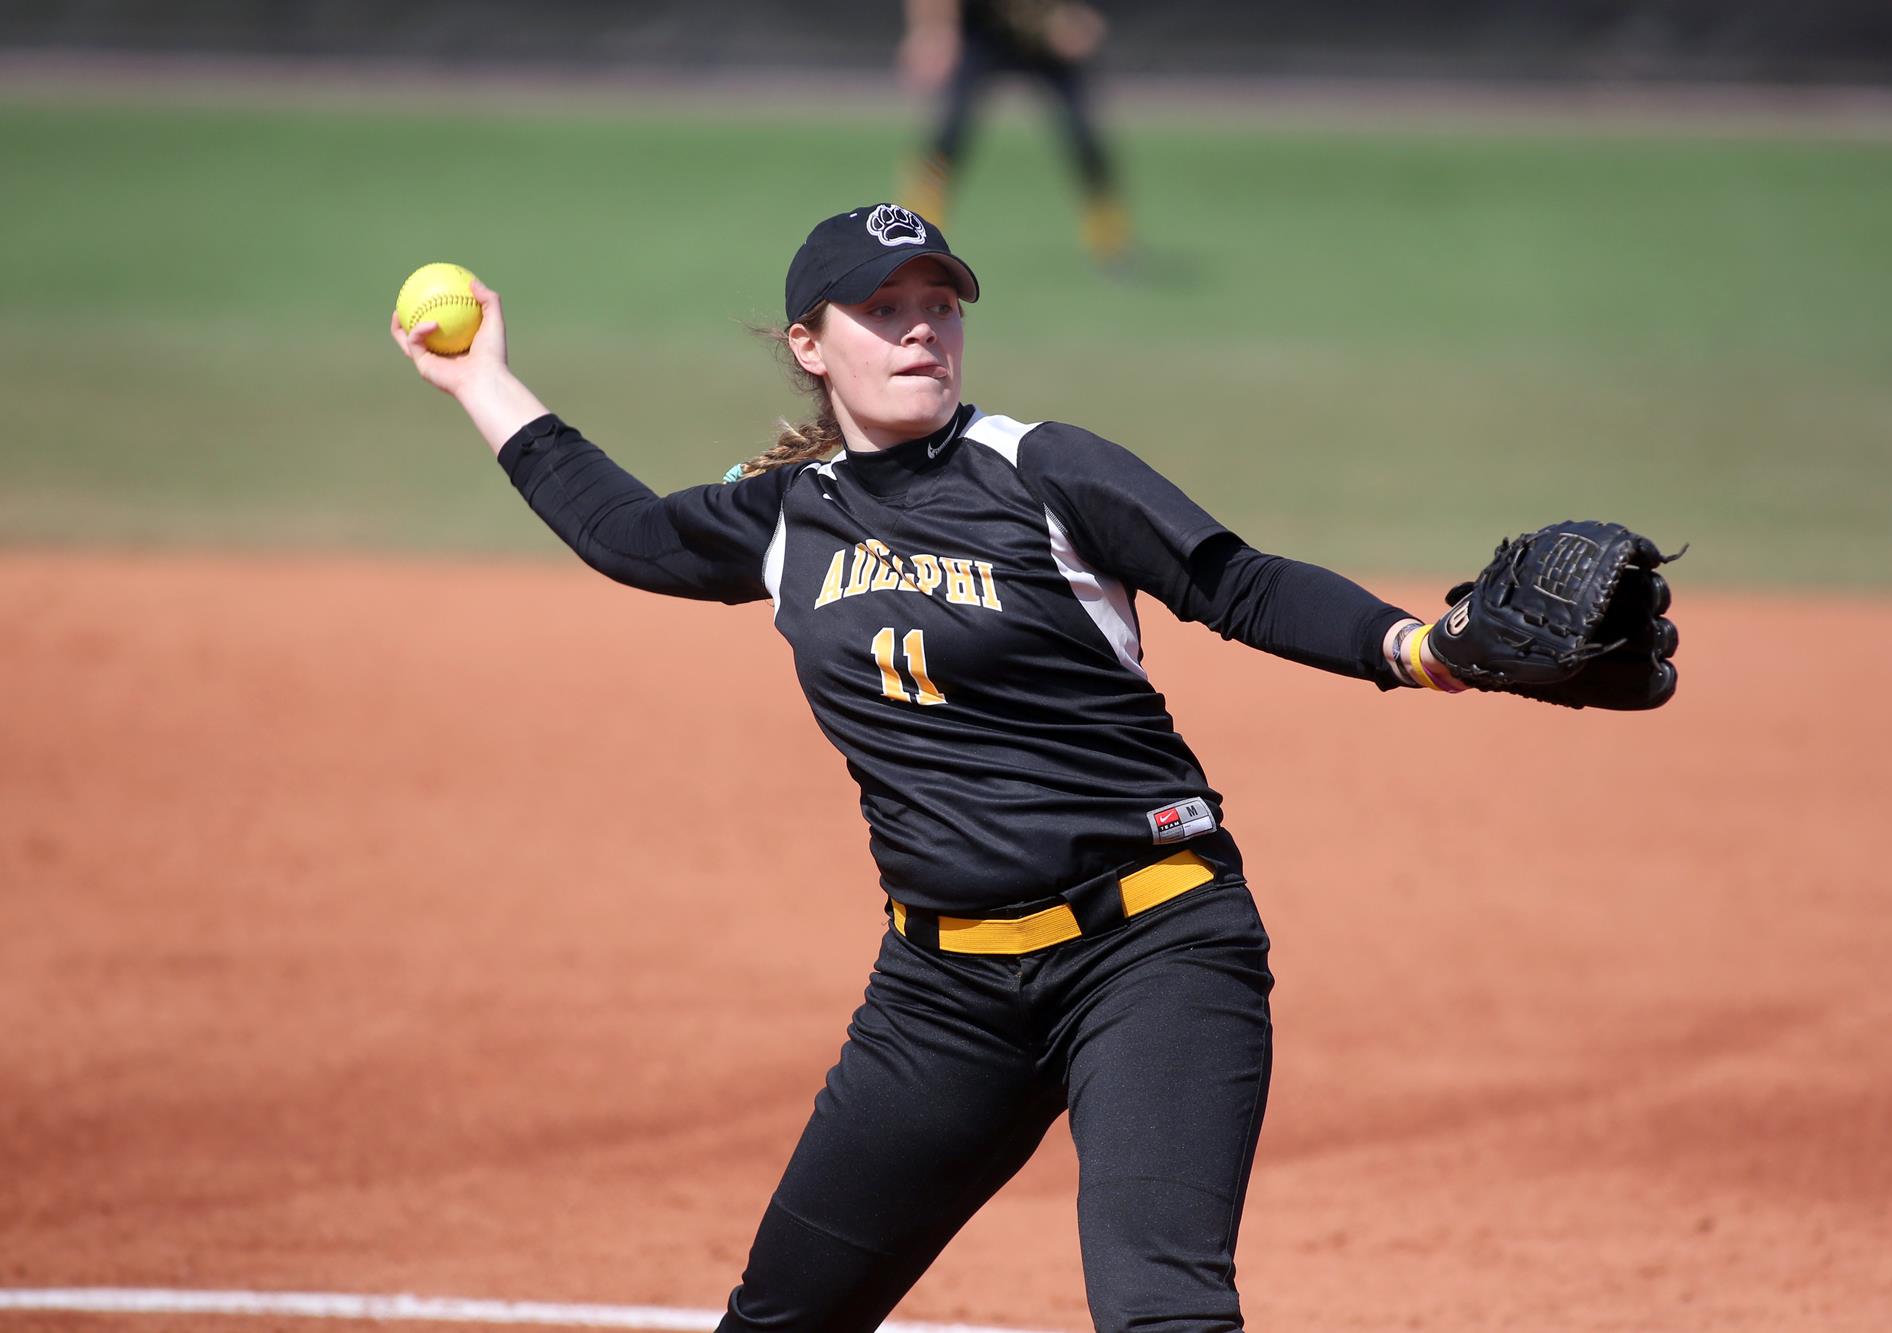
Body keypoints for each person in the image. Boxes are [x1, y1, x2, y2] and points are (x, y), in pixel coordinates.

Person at [389, 203, 1471, 1332]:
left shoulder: (1041, 468)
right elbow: (627, 534)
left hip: (1151, 951)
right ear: (808, 344)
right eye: (883, 309)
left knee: (1164, 1313)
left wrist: (1414, 648)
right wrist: (480, 383)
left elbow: (1236, 583)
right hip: (943, 996)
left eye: (939, 307)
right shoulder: (788, 516)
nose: (919, 333)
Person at [897, 0, 1132, 265]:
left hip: (1045, 38)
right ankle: (912, 234)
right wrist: (932, 31)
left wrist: (1079, 22)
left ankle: (1110, 240)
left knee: (1083, 137)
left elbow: (1085, 24)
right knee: (951, 132)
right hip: (984, 33)